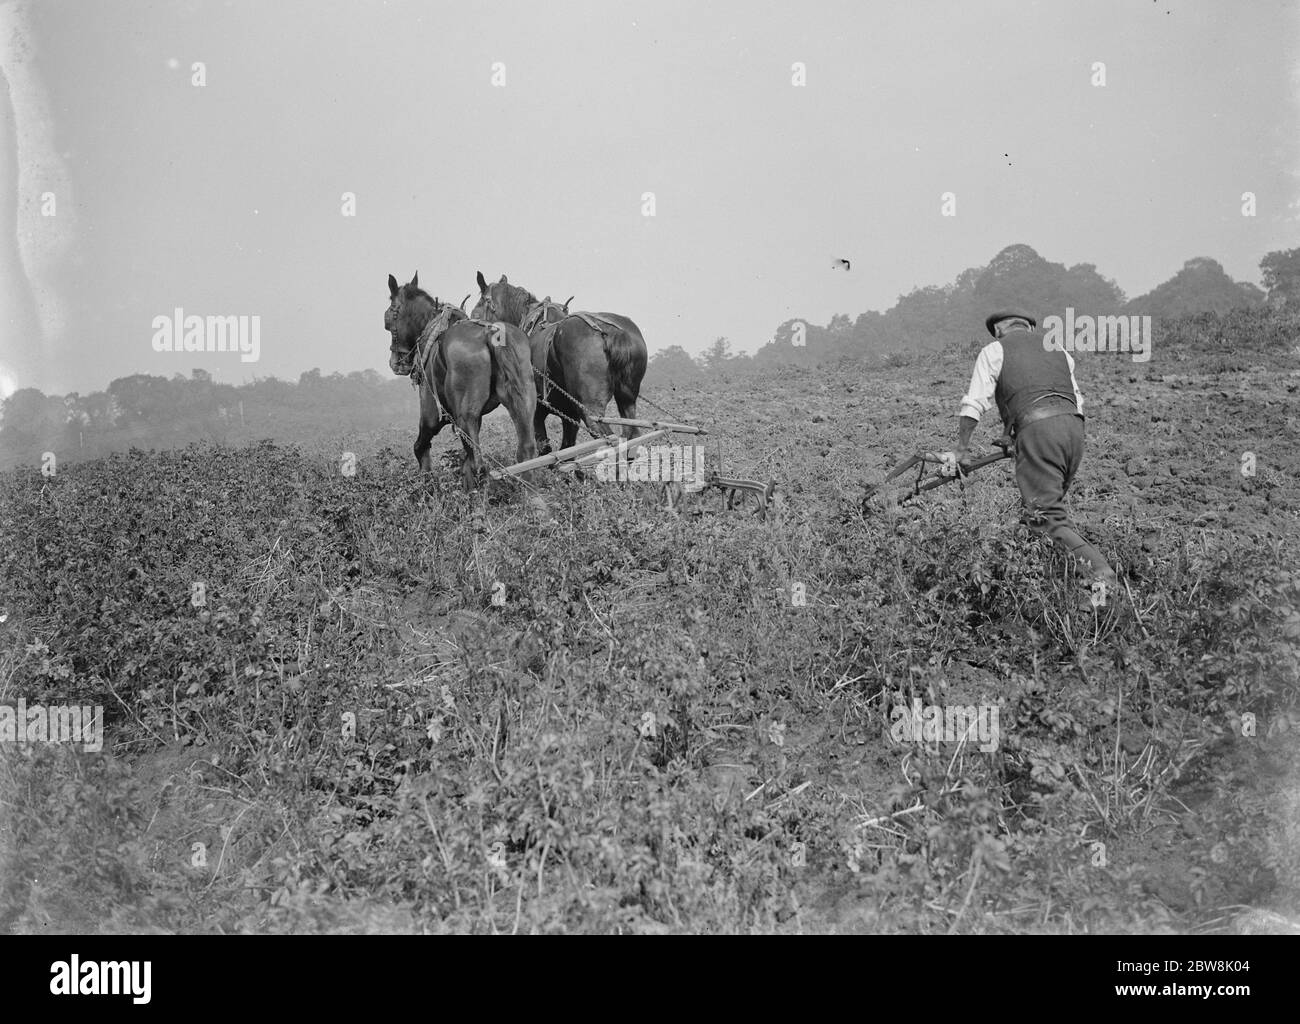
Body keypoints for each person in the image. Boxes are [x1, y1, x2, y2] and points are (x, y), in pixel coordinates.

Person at [942, 310, 1118, 608]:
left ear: (998, 329)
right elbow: (1068, 398)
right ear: (1030, 328)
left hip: (1040, 433)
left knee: (1045, 519)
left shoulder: (995, 350)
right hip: (1073, 431)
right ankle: (1063, 593)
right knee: (1044, 515)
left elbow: (974, 403)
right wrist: (1016, 435)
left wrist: (962, 448)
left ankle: (1102, 582)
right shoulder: (1058, 351)